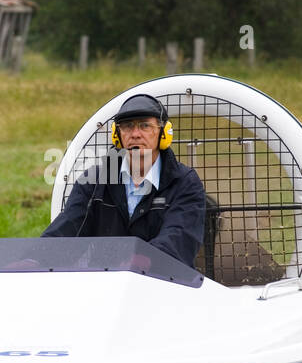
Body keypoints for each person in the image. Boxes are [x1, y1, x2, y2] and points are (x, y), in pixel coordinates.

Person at [42, 93, 206, 267]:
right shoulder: (93, 182)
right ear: (117, 135)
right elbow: (68, 228)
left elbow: (179, 237)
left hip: (163, 284)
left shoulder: (185, 183)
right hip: (106, 285)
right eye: (127, 126)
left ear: (163, 133)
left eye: (145, 126)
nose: (135, 134)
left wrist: (142, 262)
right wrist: (34, 259)